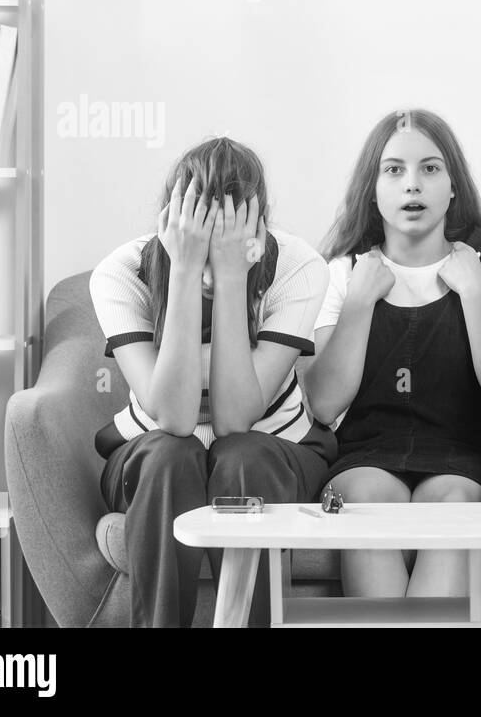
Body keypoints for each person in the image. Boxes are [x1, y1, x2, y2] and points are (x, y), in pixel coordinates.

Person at [90, 137, 333, 627]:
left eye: (228, 232)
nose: (210, 247)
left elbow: (235, 418)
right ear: (171, 222)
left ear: (258, 228)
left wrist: (230, 274)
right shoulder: (121, 271)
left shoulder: (298, 265)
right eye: (199, 232)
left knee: (244, 452)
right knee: (167, 455)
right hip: (152, 452)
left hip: (271, 447)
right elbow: (174, 418)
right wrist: (182, 267)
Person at [305, 109, 481, 598]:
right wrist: (358, 301)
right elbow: (324, 403)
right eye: (394, 170)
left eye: (430, 168)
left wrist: (475, 294)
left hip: (461, 456)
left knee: (456, 503)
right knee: (366, 499)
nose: (412, 185)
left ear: (453, 185)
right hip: (364, 456)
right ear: (372, 188)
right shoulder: (340, 275)